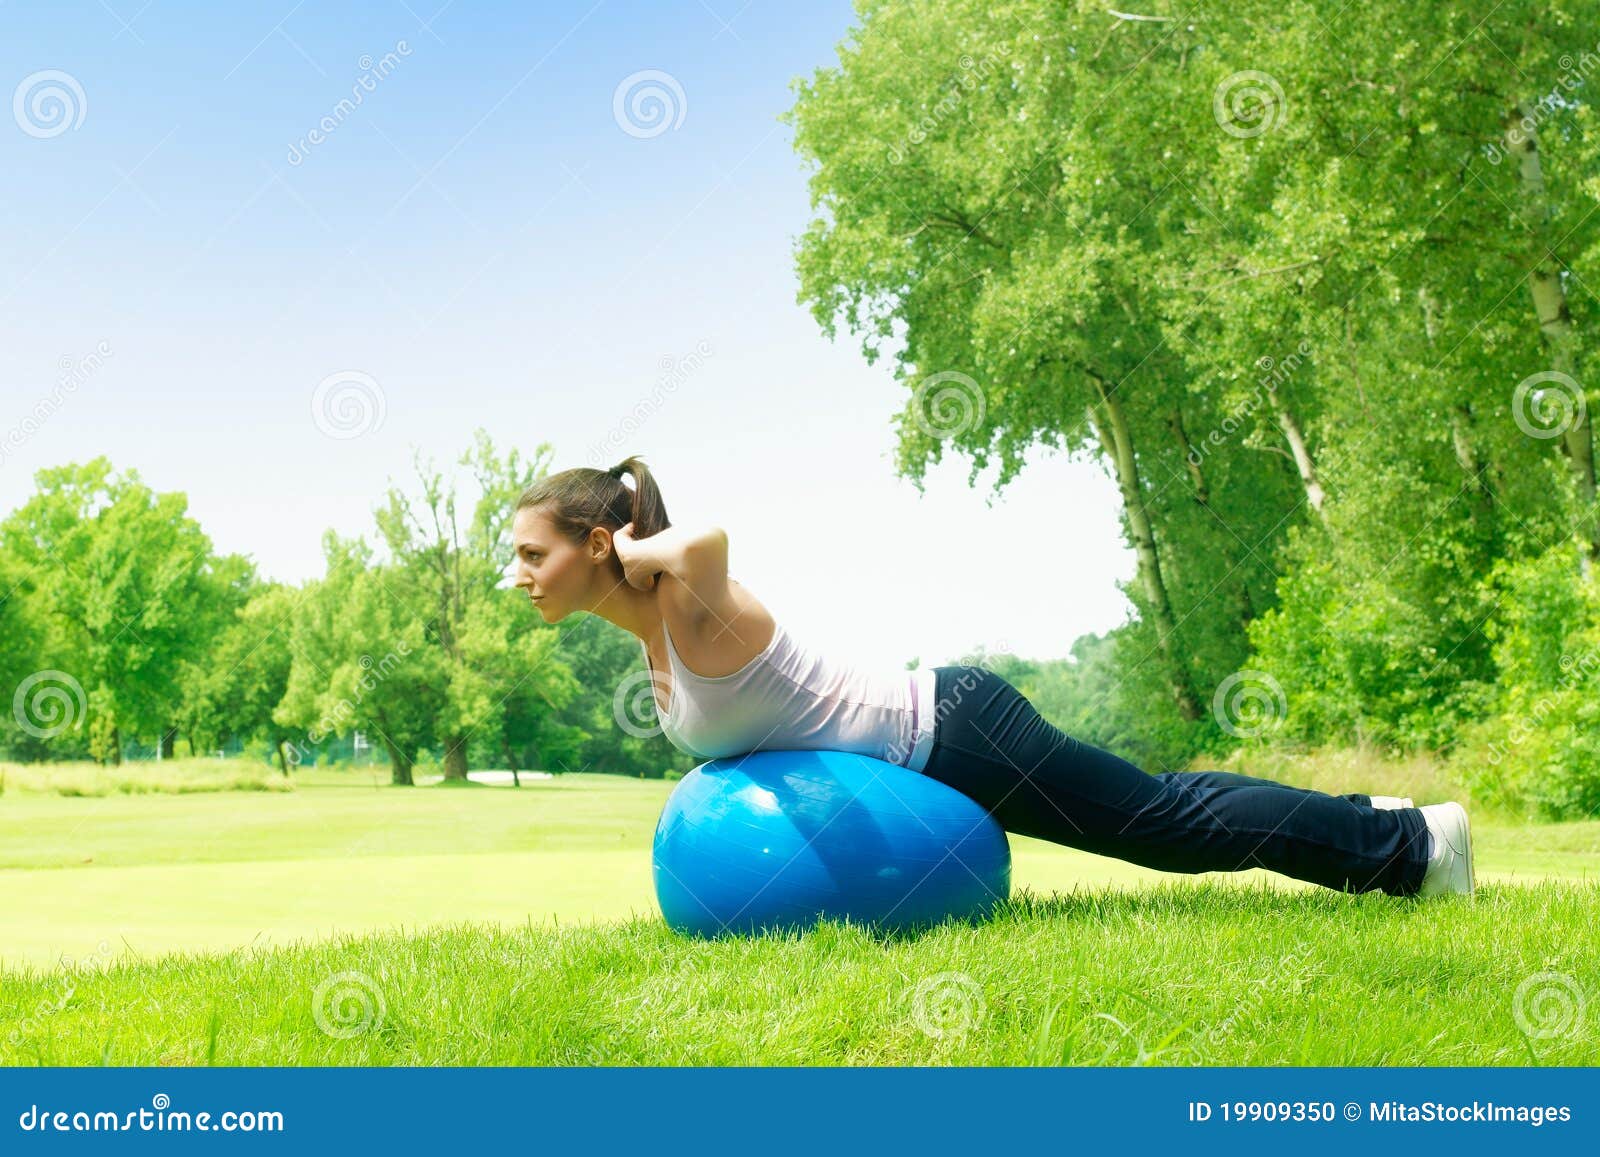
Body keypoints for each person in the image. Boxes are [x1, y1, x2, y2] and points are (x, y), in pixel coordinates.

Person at [510, 456, 1475, 900]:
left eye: (530, 554)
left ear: (598, 543)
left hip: (957, 733)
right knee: (1165, 804)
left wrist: (645, 545)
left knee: (1167, 829)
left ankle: (1413, 849)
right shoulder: (650, 640)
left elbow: (712, 537)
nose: (517, 577)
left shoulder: (688, 603)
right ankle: (1377, 818)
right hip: (939, 748)